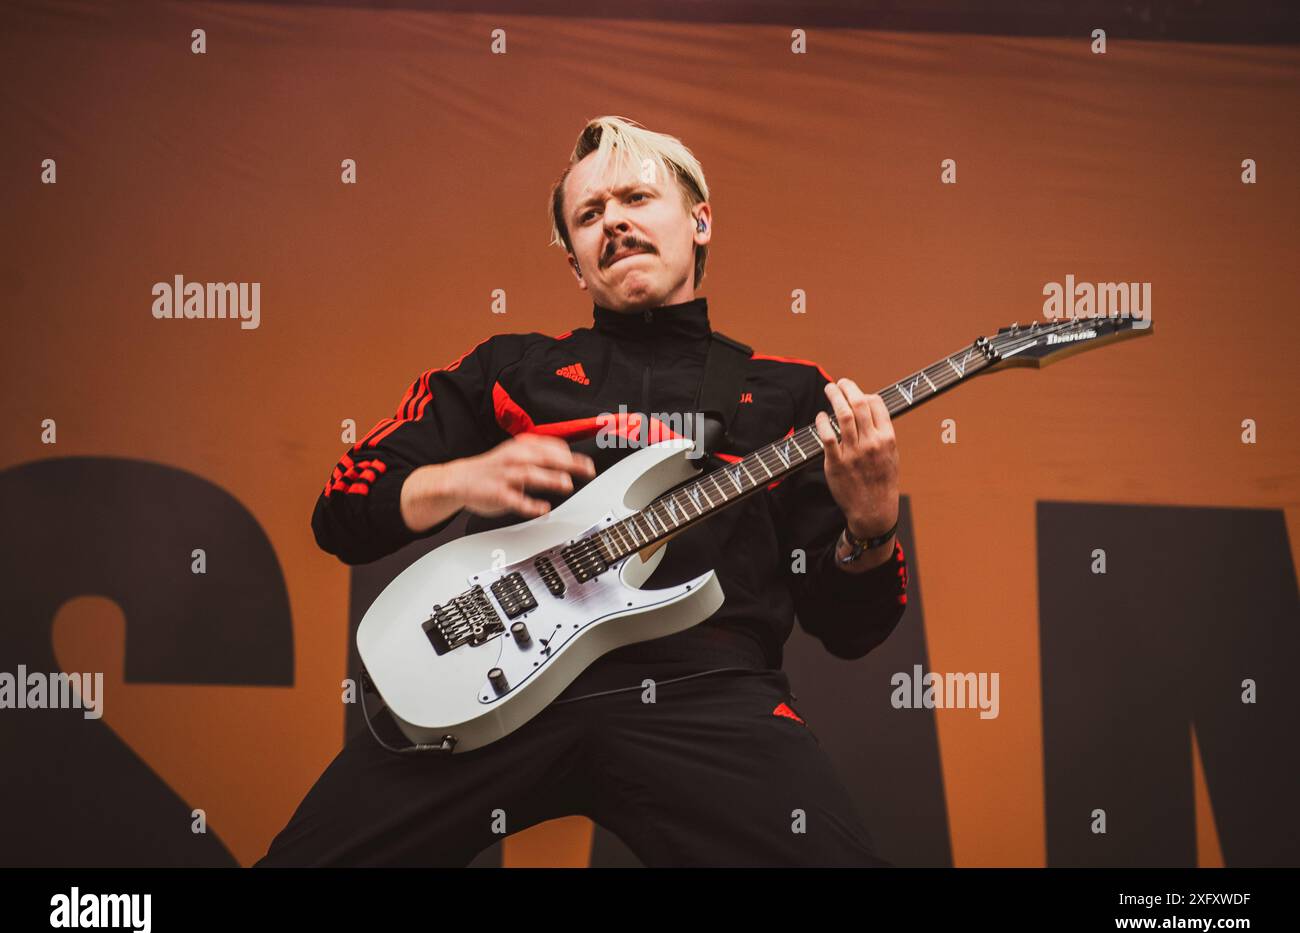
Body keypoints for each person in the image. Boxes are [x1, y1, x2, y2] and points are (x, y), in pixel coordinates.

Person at [254, 116, 909, 867]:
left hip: (706, 688)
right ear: (575, 263)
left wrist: (871, 523)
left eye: (636, 197)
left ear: (700, 221)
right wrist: (456, 478)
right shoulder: (512, 369)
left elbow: (850, 627)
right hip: (491, 676)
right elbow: (341, 507)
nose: (616, 223)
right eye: (590, 215)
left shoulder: (792, 393)